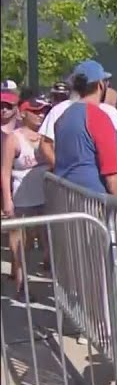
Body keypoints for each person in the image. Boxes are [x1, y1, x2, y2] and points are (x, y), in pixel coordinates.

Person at [1, 93, 51, 296]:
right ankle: (22, 284)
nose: (40, 116)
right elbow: (4, 172)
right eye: (35, 112)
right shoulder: (15, 138)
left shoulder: (48, 136)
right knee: (24, 245)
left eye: (43, 111)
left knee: (50, 243)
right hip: (24, 200)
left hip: (48, 199)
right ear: (23, 114)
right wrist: (7, 201)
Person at [51, 61, 117, 197]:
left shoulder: (63, 117)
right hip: (92, 201)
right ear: (101, 84)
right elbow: (111, 174)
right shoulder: (99, 117)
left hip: (64, 197)